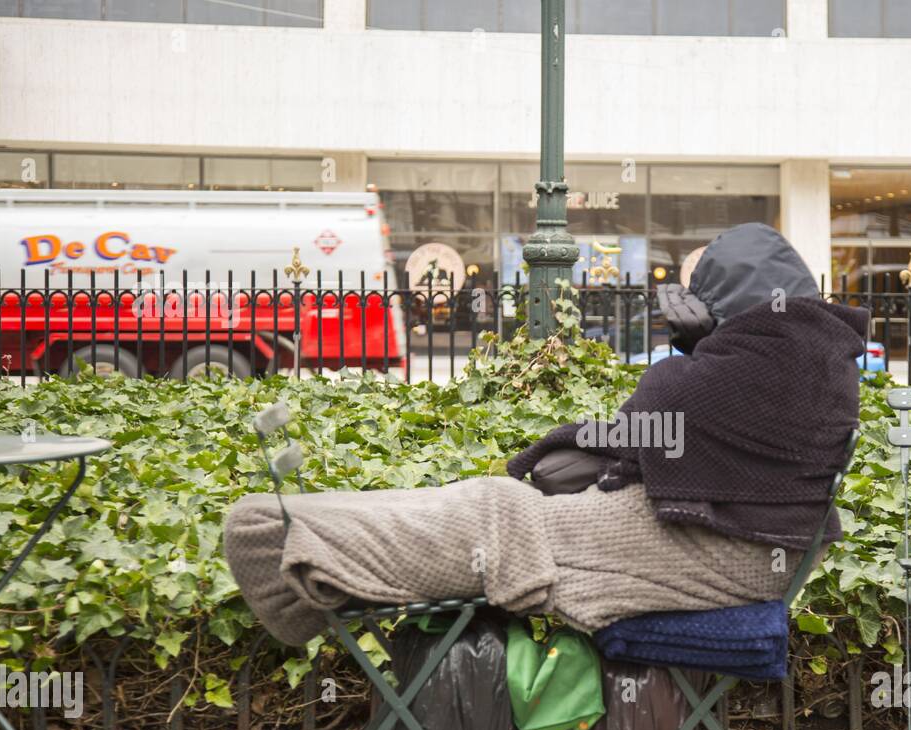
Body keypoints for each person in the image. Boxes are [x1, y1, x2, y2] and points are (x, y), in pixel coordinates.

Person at [223, 223, 869, 647]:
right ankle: (304, 538)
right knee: (499, 511)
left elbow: (653, 408)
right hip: (741, 559)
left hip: (711, 560)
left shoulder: (754, 368)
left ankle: (292, 541)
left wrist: (690, 344)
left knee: (495, 517)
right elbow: (658, 437)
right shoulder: (815, 365)